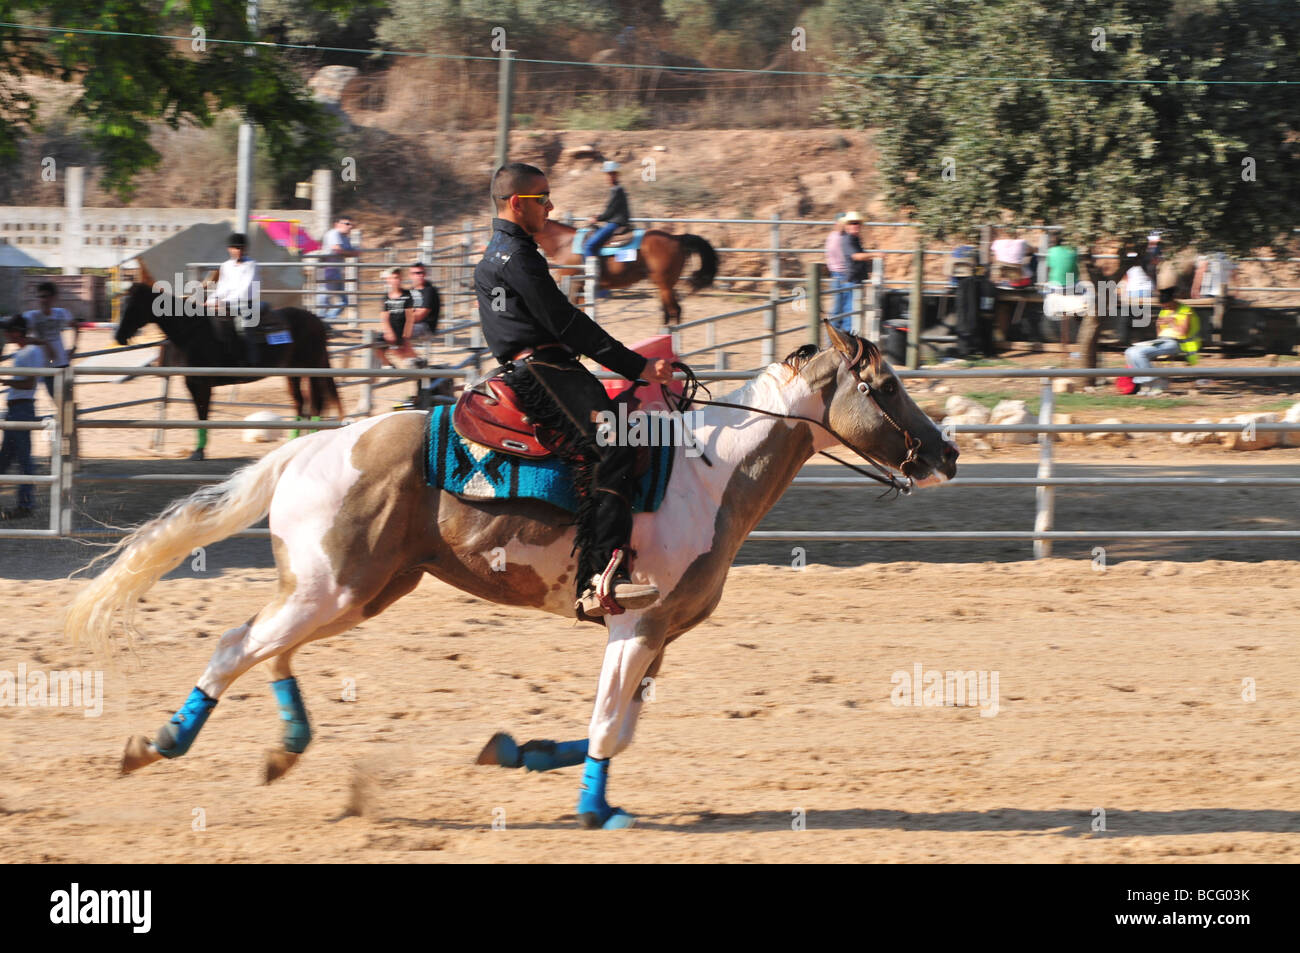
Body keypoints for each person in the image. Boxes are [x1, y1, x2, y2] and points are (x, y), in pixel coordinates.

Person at [475, 161, 675, 617]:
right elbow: (565, 322)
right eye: (542, 198)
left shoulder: (507, 253)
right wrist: (637, 365)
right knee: (616, 444)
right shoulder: (518, 256)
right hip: (545, 371)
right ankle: (599, 579)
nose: (551, 205)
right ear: (515, 203)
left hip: (548, 366)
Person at [0, 315, 41, 519]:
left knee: (22, 459)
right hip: (17, 408)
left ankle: (26, 504)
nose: (5, 334)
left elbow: (29, 384)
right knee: (6, 458)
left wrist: (7, 382)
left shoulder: (30, 352)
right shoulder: (22, 352)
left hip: (22, 408)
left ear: (17, 331)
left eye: (8, 330)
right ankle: (25, 503)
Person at [1124, 288, 1198, 394]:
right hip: (1162, 341)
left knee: (1139, 353)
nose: (1166, 308)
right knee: (1130, 351)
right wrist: (1158, 325)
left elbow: (1183, 333)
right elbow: (1160, 334)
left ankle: (1152, 382)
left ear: (1173, 300)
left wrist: (1172, 322)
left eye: (1168, 305)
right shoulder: (1164, 311)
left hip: (1176, 342)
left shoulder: (1185, 310)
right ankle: (1150, 381)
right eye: (1164, 306)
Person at [205, 232, 262, 365]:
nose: (239, 251)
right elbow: (222, 288)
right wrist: (211, 301)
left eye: (241, 248)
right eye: (236, 248)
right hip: (227, 304)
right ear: (229, 249)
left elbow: (246, 289)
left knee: (244, 327)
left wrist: (224, 303)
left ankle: (251, 361)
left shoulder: (252, 265)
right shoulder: (226, 266)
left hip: (245, 304)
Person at [21, 281, 80, 400]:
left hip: (63, 363)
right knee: (58, 400)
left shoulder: (61, 313)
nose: (43, 300)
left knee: (69, 401)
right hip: (46, 365)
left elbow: (75, 326)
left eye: (46, 296)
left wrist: (74, 347)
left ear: (53, 297)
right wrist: (43, 343)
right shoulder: (31, 316)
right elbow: (22, 337)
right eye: (40, 297)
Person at [582, 161, 630, 266]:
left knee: (589, 246)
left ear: (617, 175)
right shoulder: (617, 189)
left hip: (616, 223)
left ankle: (591, 276)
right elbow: (611, 210)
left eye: (611, 174)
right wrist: (599, 216)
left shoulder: (617, 190)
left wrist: (597, 219)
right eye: (608, 174)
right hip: (617, 221)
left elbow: (610, 211)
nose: (609, 177)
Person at [378, 267, 421, 370]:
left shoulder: (407, 295)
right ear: (388, 280)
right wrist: (388, 331)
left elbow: (410, 316)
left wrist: (406, 335)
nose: (396, 280)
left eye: (397, 278)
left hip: (402, 328)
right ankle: (388, 365)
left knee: (402, 348)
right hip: (392, 328)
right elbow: (385, 316)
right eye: (393, 278)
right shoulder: (386, 297)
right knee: (377, 345)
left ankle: (416, 362)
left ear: (401, 279)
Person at [836, 211, 872, 332]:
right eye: (852, 223)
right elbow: (856, 256)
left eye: (857, 223)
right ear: (846, 225)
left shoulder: (854, 239)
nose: (855, 225)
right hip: (852, 281)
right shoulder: (848, 239)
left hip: (856, 280)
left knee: (853, 315)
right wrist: (875, 254)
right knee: (851, 317)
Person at [317, 216, 358, 320]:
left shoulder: (345, 238)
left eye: (351, 224)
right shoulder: (333, 233)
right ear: (337, 224)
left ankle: (327, 321)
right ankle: (323, 322)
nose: (350, 227)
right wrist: (351, 253)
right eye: (347, 224)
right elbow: (337, 250)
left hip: (336, 270)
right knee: (324, 297)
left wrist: (351, 252)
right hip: (326, 268)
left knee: (343, 300)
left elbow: (351, 252)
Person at [824, 215, 850, 326]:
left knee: (842, 308)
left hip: (840, 274)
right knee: (839, 309)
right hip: (840, 274)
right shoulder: (838, 238)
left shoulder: (833, 237)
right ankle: (833, 337)